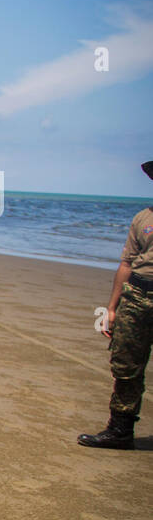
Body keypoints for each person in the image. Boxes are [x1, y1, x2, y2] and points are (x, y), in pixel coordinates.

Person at [78, 160, 153, 449]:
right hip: (136, 296)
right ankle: (120, 430)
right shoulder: (142, 218)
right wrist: (111, 307)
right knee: (125, 365)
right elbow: (126, 263)